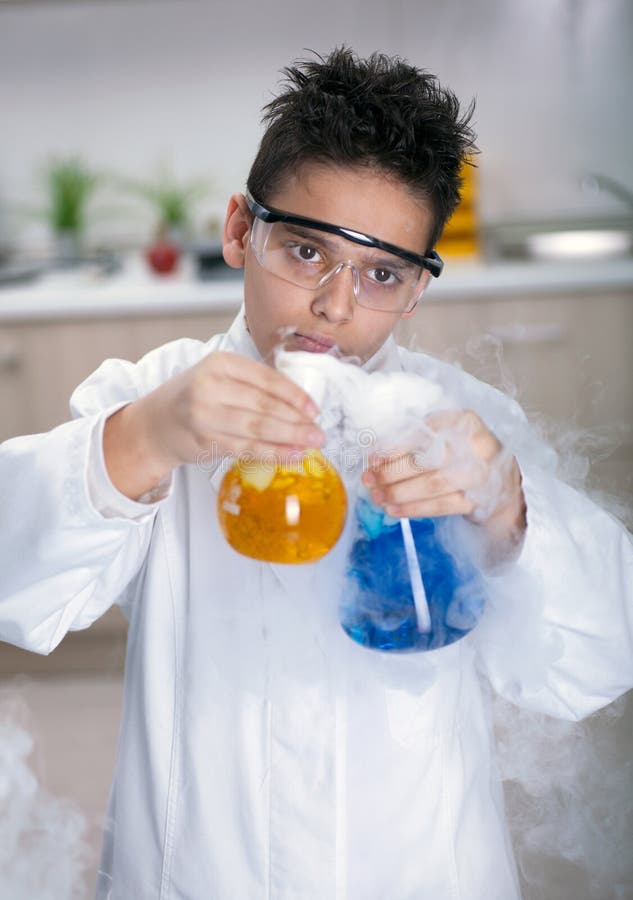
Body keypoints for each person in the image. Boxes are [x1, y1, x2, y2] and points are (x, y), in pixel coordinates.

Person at [1, 47, 632, 900]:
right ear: (238, 231)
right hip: (196, 871)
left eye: (379, 273)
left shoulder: (459, 426)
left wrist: (511, 515)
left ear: (416, 293)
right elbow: (19, 582)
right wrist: (143, 440)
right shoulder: (158, 396)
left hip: (422, 872)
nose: (335, 305)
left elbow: (600, 654)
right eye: (303, 252)